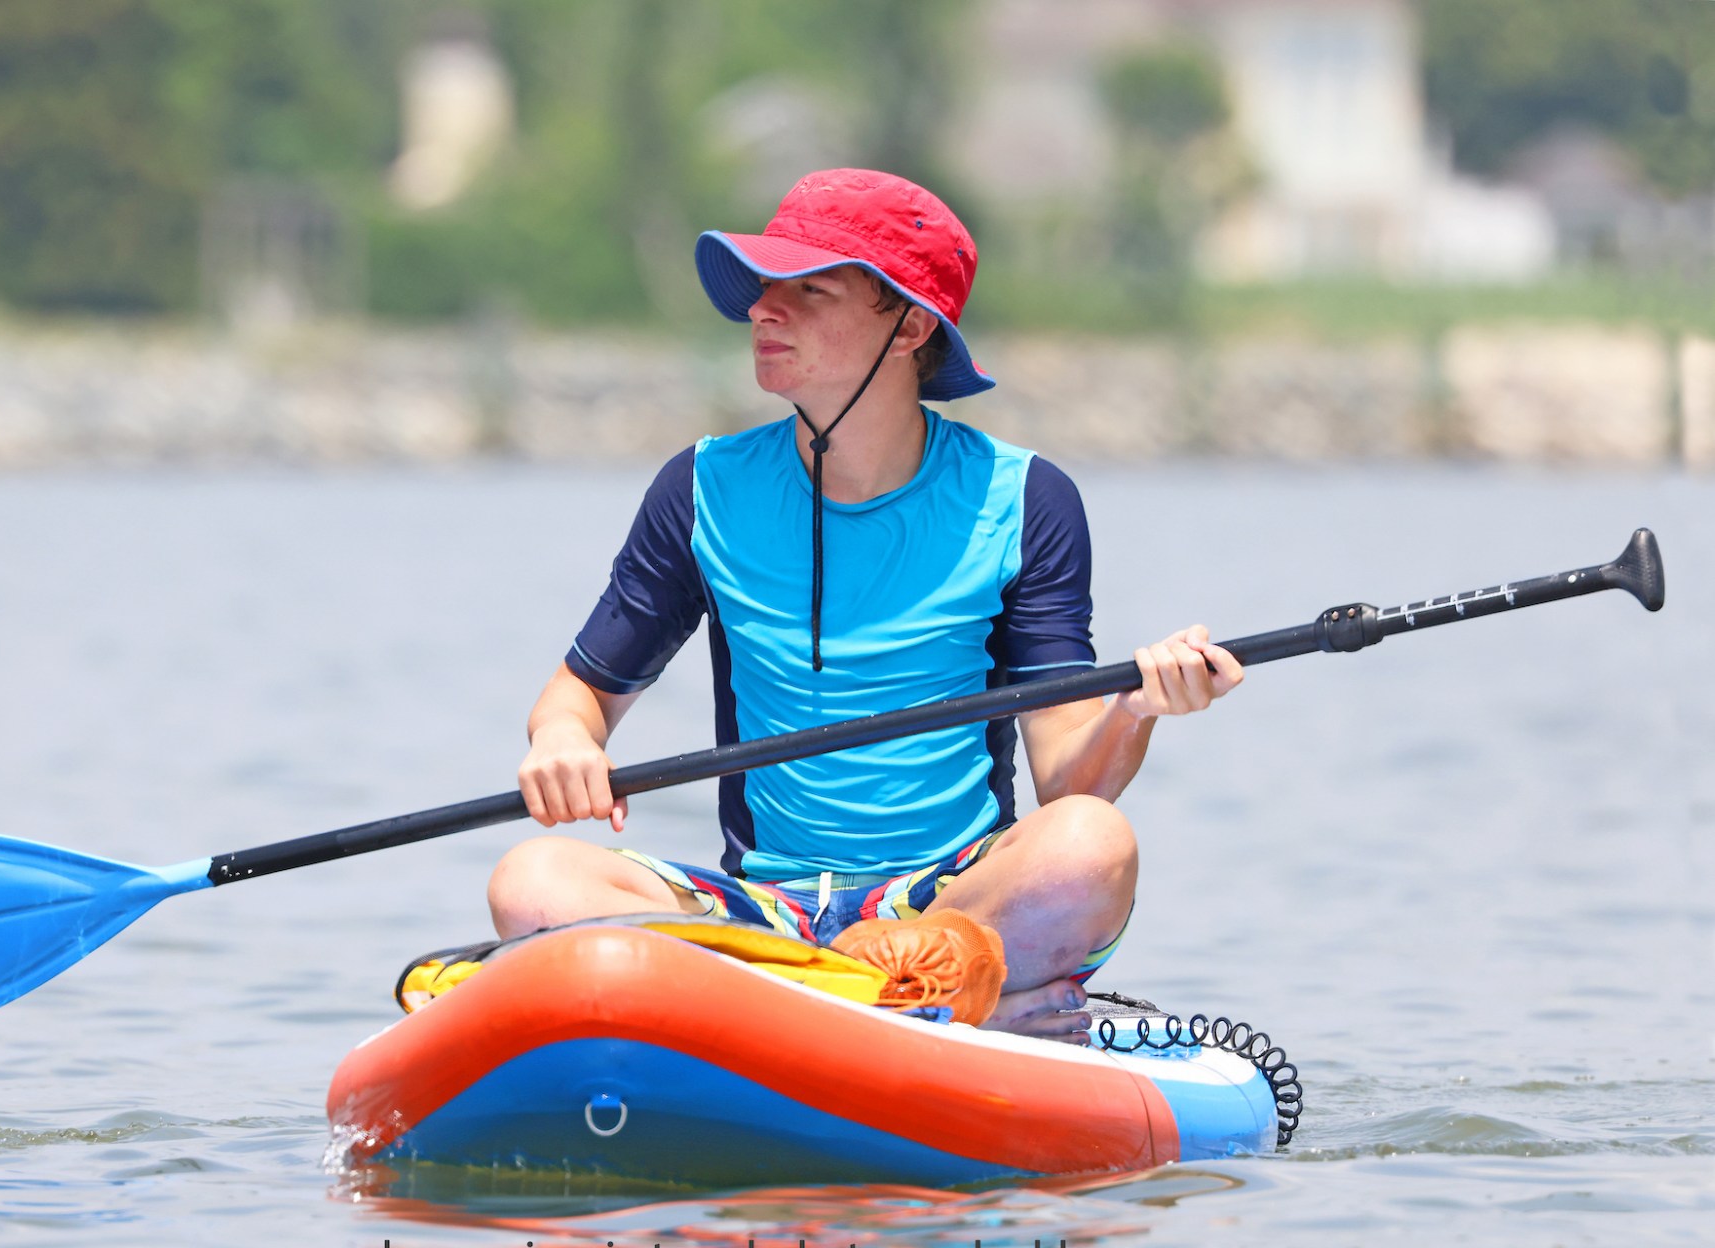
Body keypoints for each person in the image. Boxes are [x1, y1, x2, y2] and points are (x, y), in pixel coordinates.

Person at [485, 168, 1242, 1040]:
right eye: (766, 288)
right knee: (531, 879)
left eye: (810, 290)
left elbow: (1071, 778)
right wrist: (563, 742)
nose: (764, 310)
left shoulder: (1024, 497)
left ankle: (891, 977)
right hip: (766, 910)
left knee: (1092, 843)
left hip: (949, 893)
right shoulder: (702, 488)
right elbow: (577, 697)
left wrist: (1140, 709)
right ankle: (905, 994)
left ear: (911, 324)